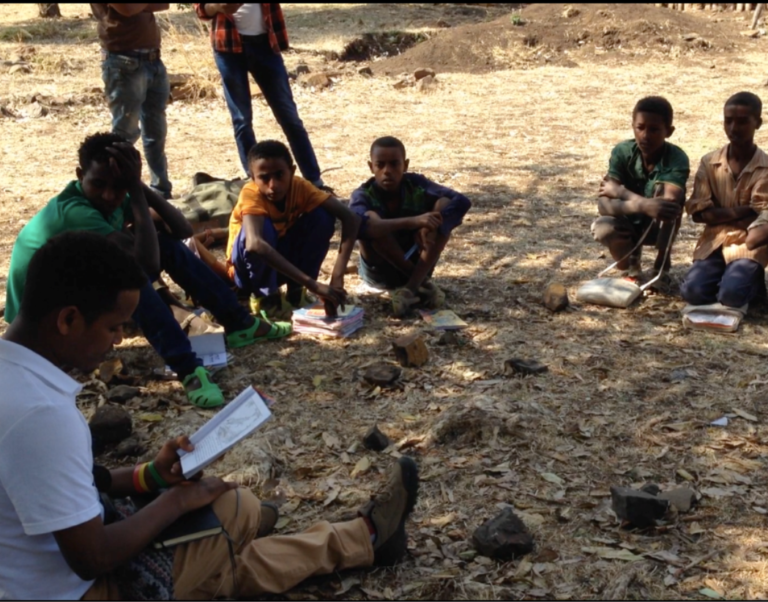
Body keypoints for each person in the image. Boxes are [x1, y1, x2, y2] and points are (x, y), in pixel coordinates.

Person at [0, 230, 420, 600]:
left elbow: (59, 481)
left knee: (219, 555)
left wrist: (150, 476)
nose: (118, 341)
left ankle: (363, 539)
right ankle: (307, 533)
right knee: (236, 508)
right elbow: (94, 557)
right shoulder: (43, 416)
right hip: (82, 589)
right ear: (69, 319)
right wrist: (177, 501)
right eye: (114, 327)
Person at [4, 132, 291, 409]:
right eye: (98, 184)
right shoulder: (75, 212)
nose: (108, 195)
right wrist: (133, 193)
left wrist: (137, 187)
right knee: (132, 277)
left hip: (73, 288)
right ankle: (187, 368)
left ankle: (238, 323)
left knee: (165, 244)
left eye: (118, 186)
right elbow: (146, 267)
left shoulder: (114, 194)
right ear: (80, 176)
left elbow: (180, 232)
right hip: (40, 317)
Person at [194, 3, 329, 189]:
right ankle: (257, 186)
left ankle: (314, 182)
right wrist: (218, 6)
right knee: (241, 120)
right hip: (228, 48)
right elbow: (201, 10)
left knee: (289, 117)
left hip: (265, 43)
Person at [226, 140, 361, 319]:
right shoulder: (251, 194)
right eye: (264, 178)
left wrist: (337, 276)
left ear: (292, 171)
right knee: (261, 229)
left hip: (279, 263)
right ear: (252, 177)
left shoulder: (301, 187)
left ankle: (296, 291)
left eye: (280, 175)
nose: (273, 185)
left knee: (322, 217)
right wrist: (313, 284)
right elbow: (254, 244)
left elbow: (350, 218)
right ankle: (265, 297)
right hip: (247, 273)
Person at [349, 136, 472, 317]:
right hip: (381, 274)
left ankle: (411, 288)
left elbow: (461, 201)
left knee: (444, 206)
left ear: (405, 165)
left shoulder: (416, 184)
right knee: (372, 222)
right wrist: (414, 221)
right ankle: (420, 283)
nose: (387, 171)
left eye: (394, 164)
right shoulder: (363, 195)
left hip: (419, 262)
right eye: (380, 165)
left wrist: (428, 227)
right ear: (371, 167)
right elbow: (363, 228)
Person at [681, 92, 768, 309]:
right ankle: (733, 281)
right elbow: (699, 213)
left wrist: (716, 214)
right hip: (713, 242)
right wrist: (745, 210)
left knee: (731, 296)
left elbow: (761, 219)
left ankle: (750, 284)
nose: (733, 128)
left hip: (748, 247)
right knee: (692, 292)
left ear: (758, 123)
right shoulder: (710, 162)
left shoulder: (765, 167)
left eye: (742, 122)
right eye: (728, 121)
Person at [592, 96, 690, 284]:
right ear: (633, 126)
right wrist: (643, 205)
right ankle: (632, 263)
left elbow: (667, 204)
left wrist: (621, 193)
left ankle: (662, 261)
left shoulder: (676, 158)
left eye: (654, 130)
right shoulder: (623, 152)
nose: (645, 136)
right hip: (628, 220)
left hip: (657, 224)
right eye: (640, 127)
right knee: (603, 227)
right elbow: (603, 205)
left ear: (669, 132)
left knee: (670, 203)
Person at [91, 3, 174, 199]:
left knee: (156, 130)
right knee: (124, 134)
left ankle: (161, 190)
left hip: (153, 59)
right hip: (123, 61)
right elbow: (127, 8)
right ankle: (114, 192)